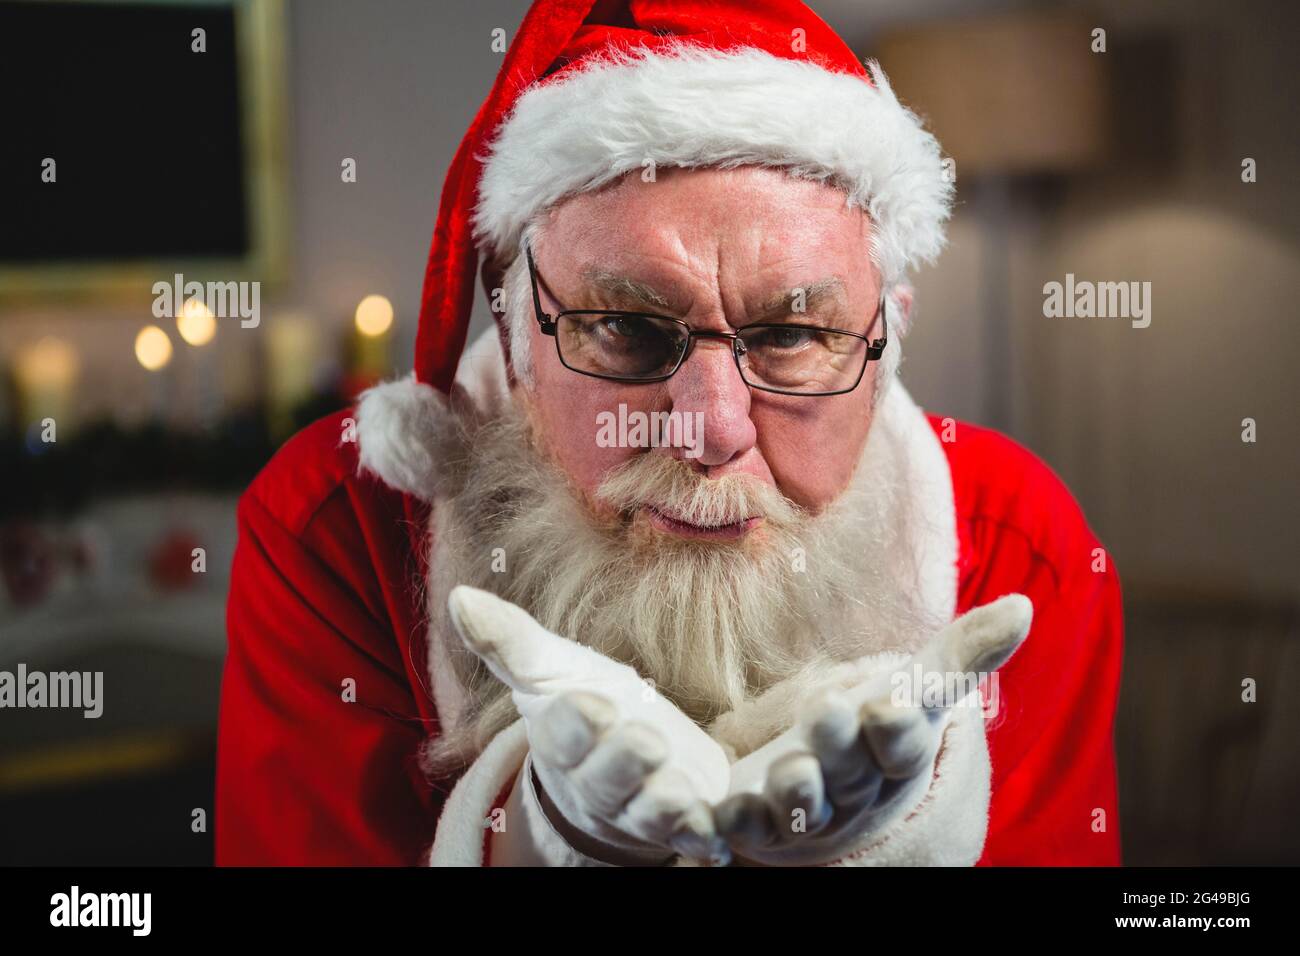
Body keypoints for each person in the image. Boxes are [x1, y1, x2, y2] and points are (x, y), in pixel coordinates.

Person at [217, 0, 1123, 866]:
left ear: (887, 341)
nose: (712, 427)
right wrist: (551, 847)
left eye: (793, 335)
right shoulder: (335, 524)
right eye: (625, 328)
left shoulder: (1019, 547)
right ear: (519, 331)